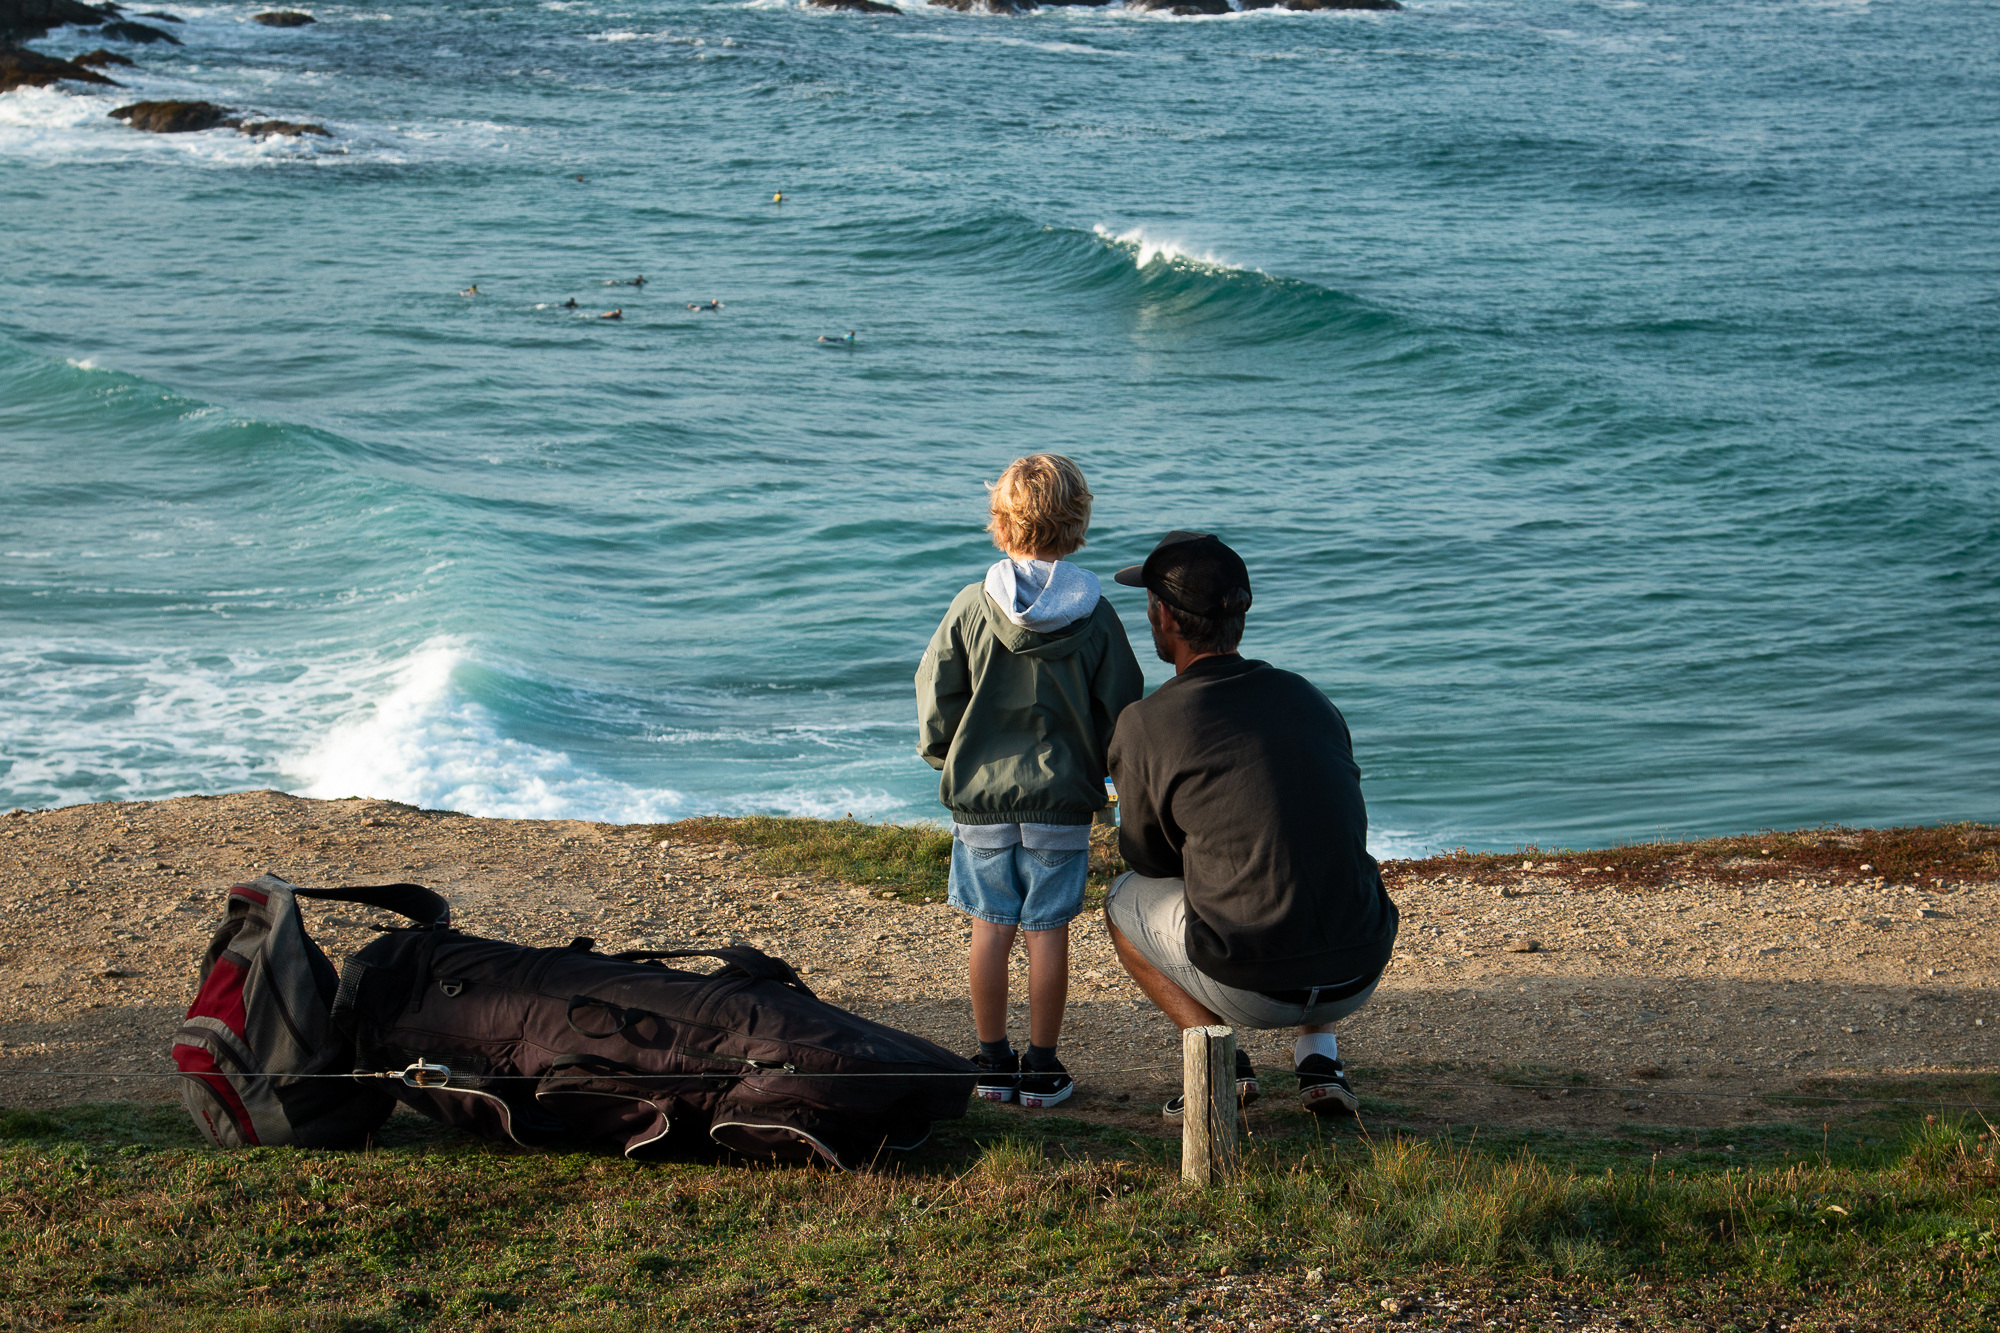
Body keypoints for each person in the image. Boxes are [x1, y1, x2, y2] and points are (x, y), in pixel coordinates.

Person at [1104, 531, 1399, 1122]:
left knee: (1120, 904)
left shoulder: (1146, 722)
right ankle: (1320, 1060)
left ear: (1162, 616)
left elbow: (1149, 859)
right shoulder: (1308, 697)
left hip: (1253, 985)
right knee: (1308, 859)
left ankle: (1223, 1068)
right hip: (1359, 966)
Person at [916, 455, 1144, 1109]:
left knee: (990, 925)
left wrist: (948, 755)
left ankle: (992, 1061)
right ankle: (1042, 1068)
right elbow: (1122, 704)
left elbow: (935, 694)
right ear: (1078, 522)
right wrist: (1103, 766)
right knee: (1047, 928)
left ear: (1000, 520)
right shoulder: (1096, 614)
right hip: (1063, 797)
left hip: (983, 797)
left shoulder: (971, 605)